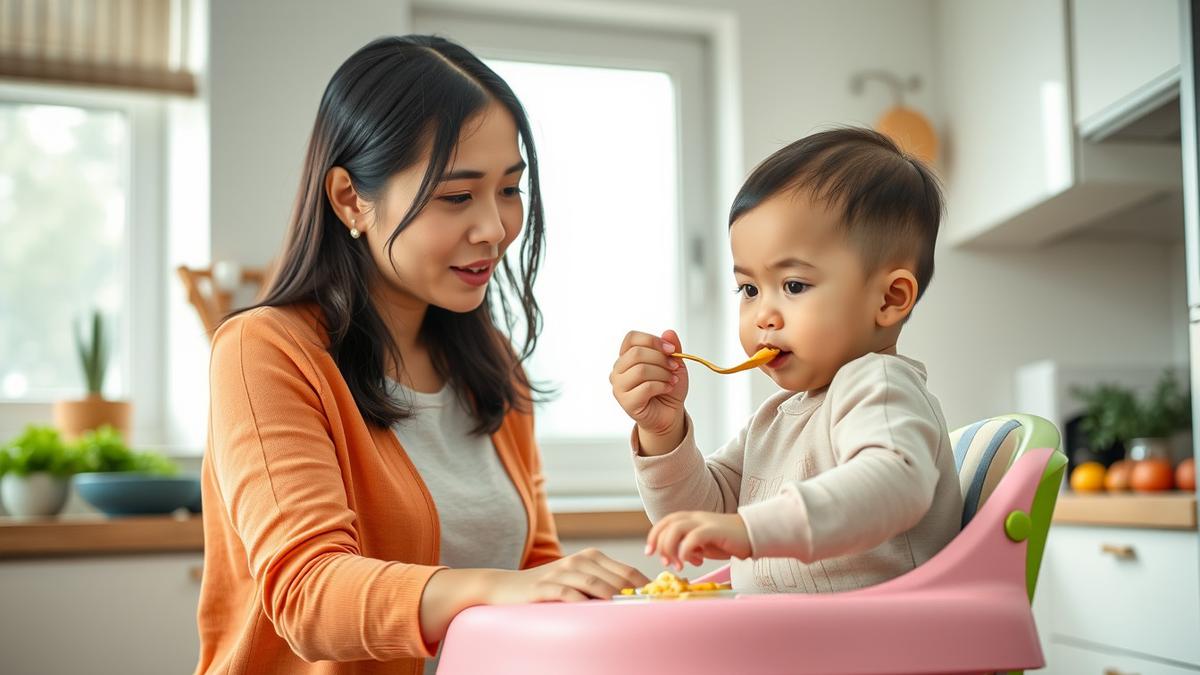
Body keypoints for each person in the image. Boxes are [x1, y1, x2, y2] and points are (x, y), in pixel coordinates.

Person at [196, 35, 648, 675]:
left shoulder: (492, 365)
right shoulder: (264, 351)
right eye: (457, 196)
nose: (494, 228)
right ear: (352, 198)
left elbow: (533, 566)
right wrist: (496, 588)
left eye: (510, 189)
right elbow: (307, 596)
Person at [610, 127, 963, 594]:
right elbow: (702, 518)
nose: (763, 315)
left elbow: (895, 484)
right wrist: (663, 431)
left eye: (793, 285)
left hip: (883, 651)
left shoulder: (878, 385)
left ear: (890, 298)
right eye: (749, 289)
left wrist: (751, 530)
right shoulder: (777, 417)